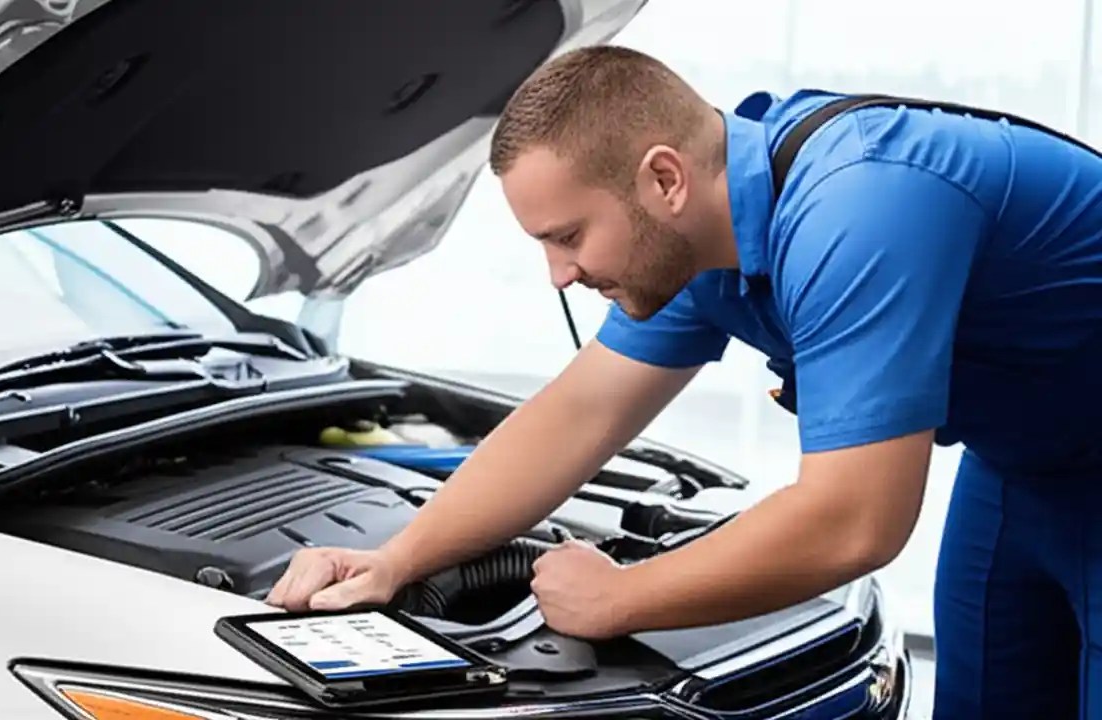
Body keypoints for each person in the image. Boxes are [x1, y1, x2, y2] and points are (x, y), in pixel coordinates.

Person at [267, 46, 1102, 718]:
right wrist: (396, 560)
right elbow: (580, 411)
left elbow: (856, 523)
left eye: (567, 236)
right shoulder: (696, 242)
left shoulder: (862, 210)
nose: (559, 275)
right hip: (1023, 466)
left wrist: (624, 598)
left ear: (663, 179)